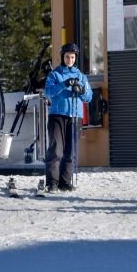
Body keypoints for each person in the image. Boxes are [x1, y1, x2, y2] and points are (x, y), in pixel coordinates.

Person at [43, 42, 92, 192]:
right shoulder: (55, 74)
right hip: (58, 115)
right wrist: (64, 84)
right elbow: (48, 92)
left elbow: (89, 97)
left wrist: (82, 90)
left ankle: (65, 181)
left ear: (75, 58)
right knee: (56, 150)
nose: (69, 60)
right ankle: (52, 182)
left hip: (75, 116)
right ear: (62, 57)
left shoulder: (81, 76)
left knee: (71, 151)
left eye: (72, 57)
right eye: (67, 57)